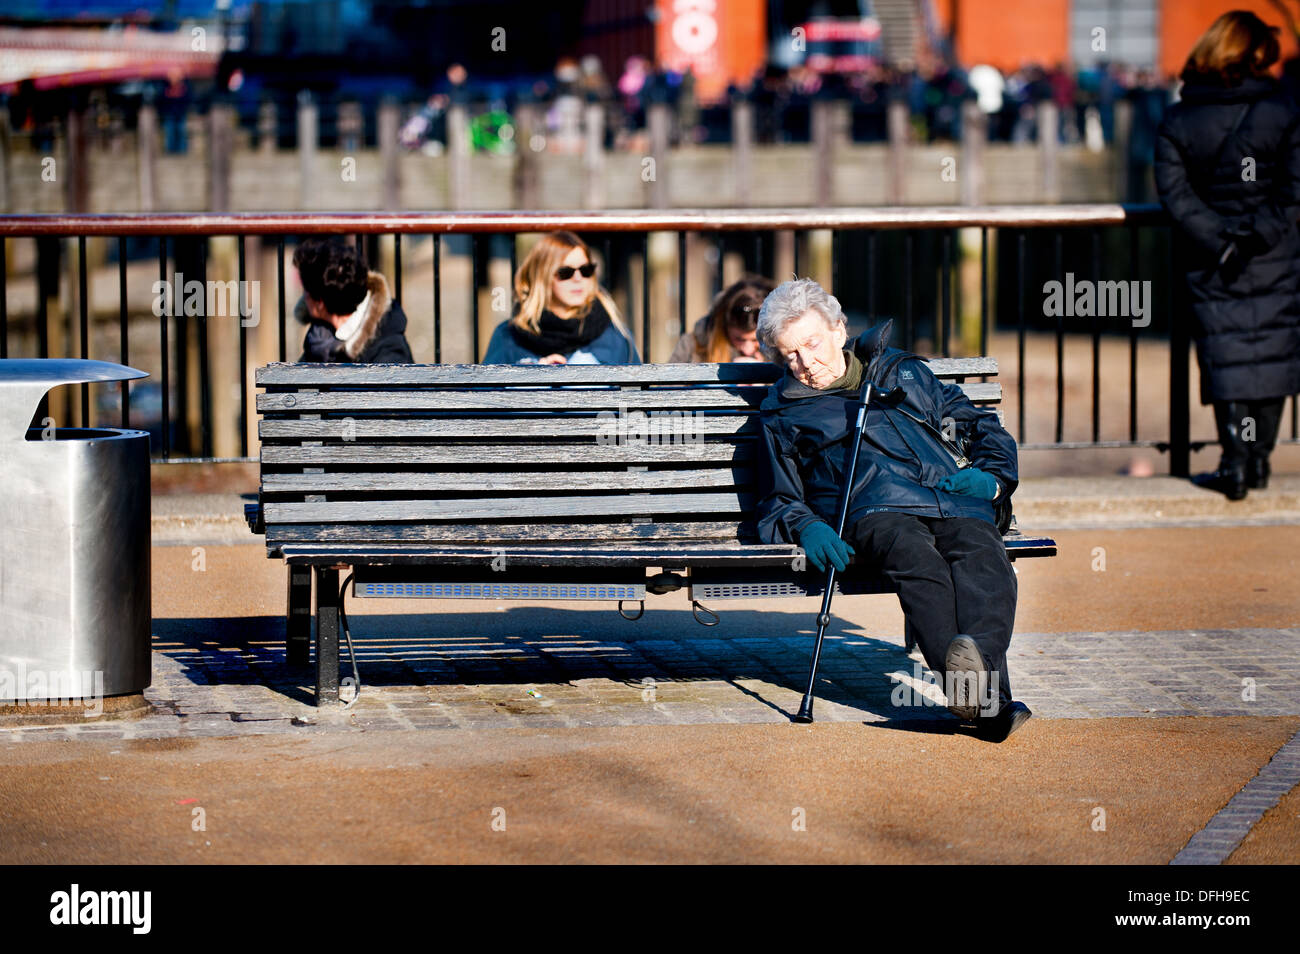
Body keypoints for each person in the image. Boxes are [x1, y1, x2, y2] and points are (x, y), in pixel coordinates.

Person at [753, 278, 1031, 742]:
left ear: (839, 330)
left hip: (950, 495)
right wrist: (810, 528)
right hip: (873, 508)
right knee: (917, 560)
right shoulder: (782, 415)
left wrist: (994, 478)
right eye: (790, 355)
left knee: (983, 554)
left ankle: (979, 698)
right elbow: (778, 499)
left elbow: (982, 428)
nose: (805, 363)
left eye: (812, 344)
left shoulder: (903, 372)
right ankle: (986, 701)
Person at [1155, 10, 1300, 500]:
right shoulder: (1285, 111)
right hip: (1274, 252)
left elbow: (1174, 194)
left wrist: (1219, 238)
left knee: (1227, 356)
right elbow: (1293, 190)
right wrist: (1260, 232)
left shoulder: (1180, 118)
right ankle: (1258, 461)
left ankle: (1235, 461)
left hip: (1212, 258)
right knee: (1272, 356)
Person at [483, 231, 640, 364]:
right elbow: (480, 396)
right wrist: (532, 378)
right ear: (542, 277)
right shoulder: (508, 336)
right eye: (566, 273)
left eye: (586, 270)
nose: (578, 278)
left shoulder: (615, 335)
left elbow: (638, 395)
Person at [292, 239, 413, 363]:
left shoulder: (388, 353)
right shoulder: (321, 334)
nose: (304, 296)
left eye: (306, 290)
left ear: (320, 303)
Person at [669, 277, 775, 363]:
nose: (747, 350)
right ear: (724, 327)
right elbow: (667, 387)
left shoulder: (786, 353)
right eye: (739, 339)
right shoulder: (692, 345)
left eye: (756, 339)